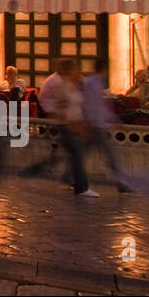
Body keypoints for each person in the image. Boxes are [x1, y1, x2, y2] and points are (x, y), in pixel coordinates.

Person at [39, 59, 98, 197]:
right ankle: (81, 187)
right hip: (67, 126)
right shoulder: (60, 85)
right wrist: (74, 125)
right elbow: (61, 108)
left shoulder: (70, 84)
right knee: (77, 154)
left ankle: (69, 180)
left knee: (76, 154)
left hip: (72, 124)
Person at [83, 57, 131, 192]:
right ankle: (122, 183)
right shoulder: (95, 84)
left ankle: (67, 176)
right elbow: (98, 106)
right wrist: (113, 119)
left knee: (83, 153)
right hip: (97, 125)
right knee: (111, 155)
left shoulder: (92, 82)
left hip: (95, 124)